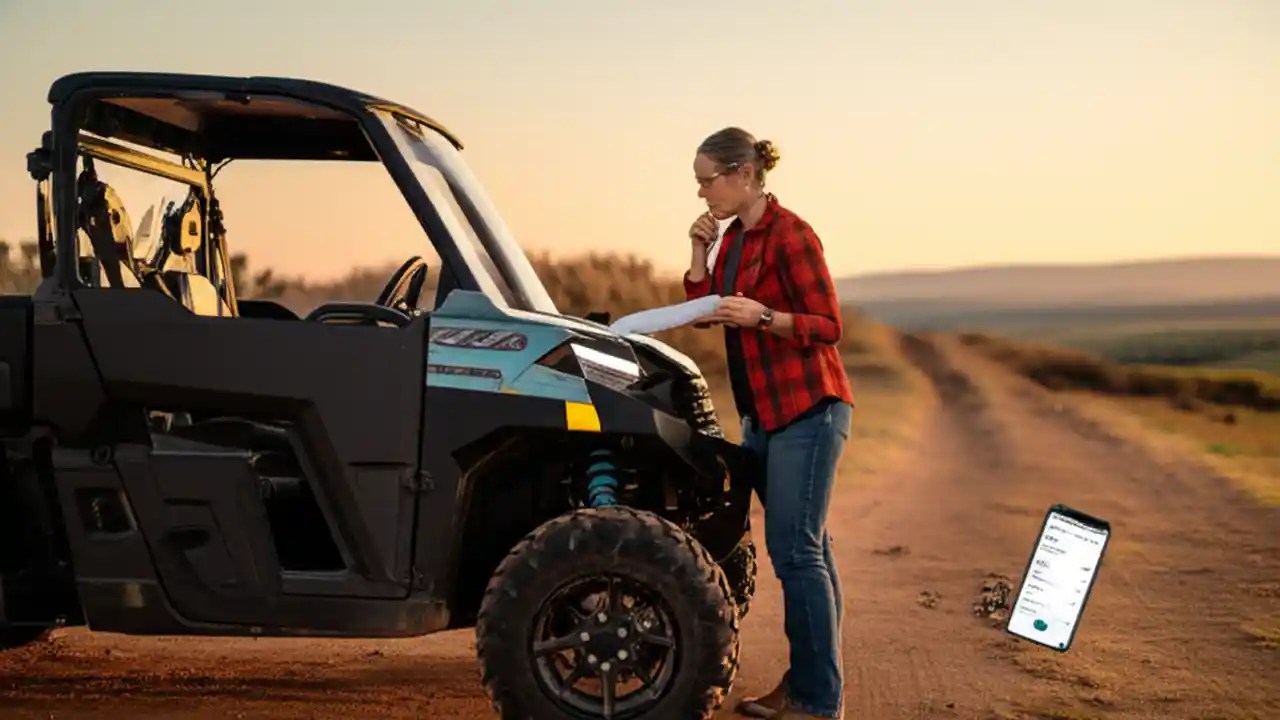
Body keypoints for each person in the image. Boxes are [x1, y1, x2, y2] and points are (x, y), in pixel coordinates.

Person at [684, 127, 854, 720]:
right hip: (763, 415)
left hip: (808, 409)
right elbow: (705, 310)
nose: (703, 191)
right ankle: (812, 682)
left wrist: (766, 318)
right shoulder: (731, 241)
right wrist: (699, 252)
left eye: (709, 179)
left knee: (795, 551)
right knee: (809, 548)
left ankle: (816, 699)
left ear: (745, 174)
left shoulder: (792, 235)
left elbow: (828, 324)